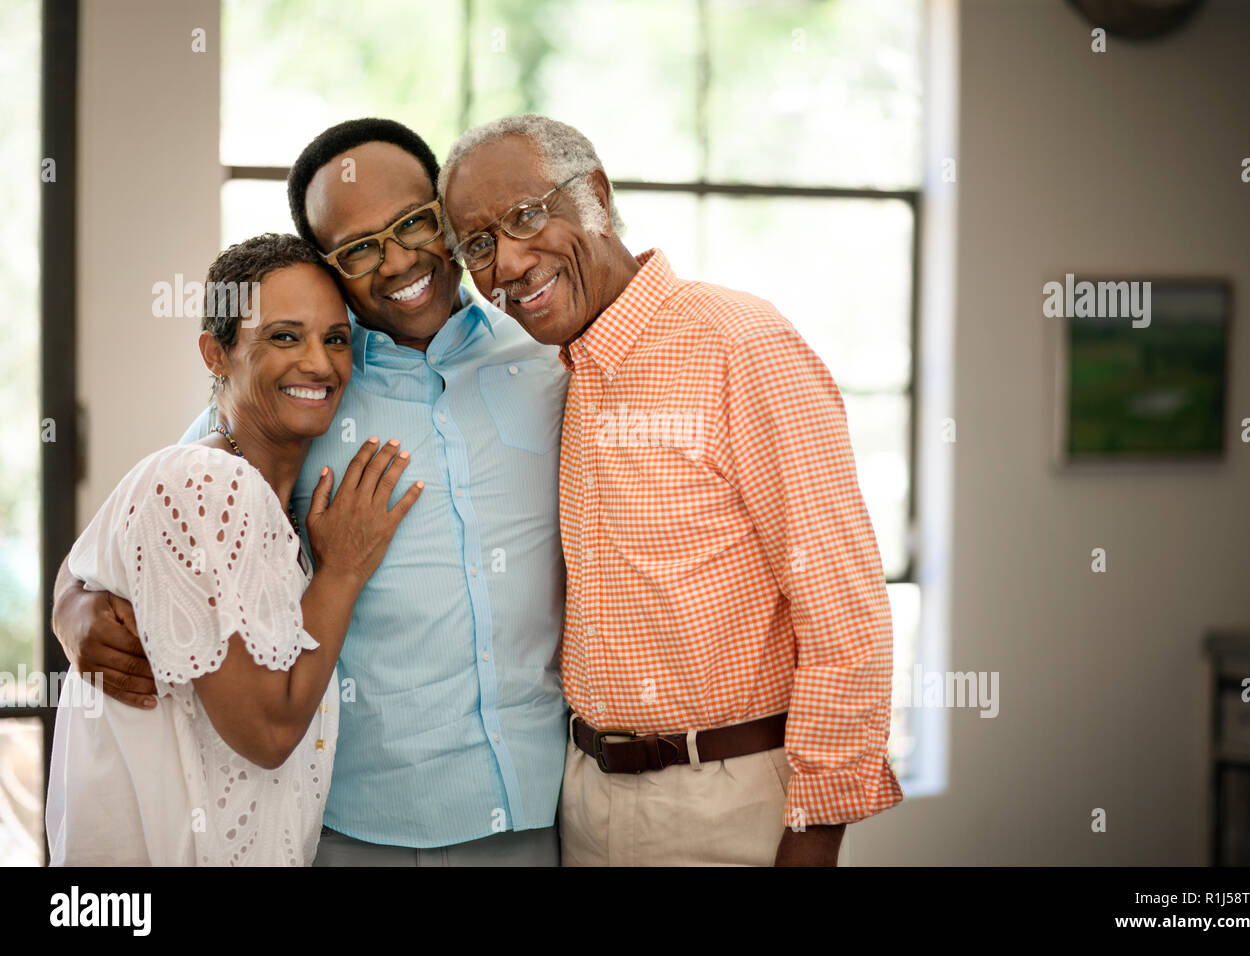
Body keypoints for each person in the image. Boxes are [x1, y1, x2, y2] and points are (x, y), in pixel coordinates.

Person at [51, 119, 571, 866]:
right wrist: (72, 606)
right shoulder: (307, 387)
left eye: (413, 224)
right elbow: (152, 508)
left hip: (528, 818)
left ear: (446, 218)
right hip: (349, 829)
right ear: (332, 266)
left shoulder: (549, 362)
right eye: (359, 248)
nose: (396, 261)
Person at [439, 114, 904, 866]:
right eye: (479, 245)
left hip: (724, 803)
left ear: (593, 195)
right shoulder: (558, 373)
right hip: (584, 799)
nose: (508, 264)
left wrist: (814, 837)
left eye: (526, 217)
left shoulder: (740, 344)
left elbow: (844, 616)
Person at [47, 233, 421, 865]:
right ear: (215, 353)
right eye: (283, 336)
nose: (320, 364)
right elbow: (266, 733)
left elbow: (82, 565)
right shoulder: (205, 481)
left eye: (335, 339)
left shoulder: (248, 494)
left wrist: (70, 600)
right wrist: (345, 570)